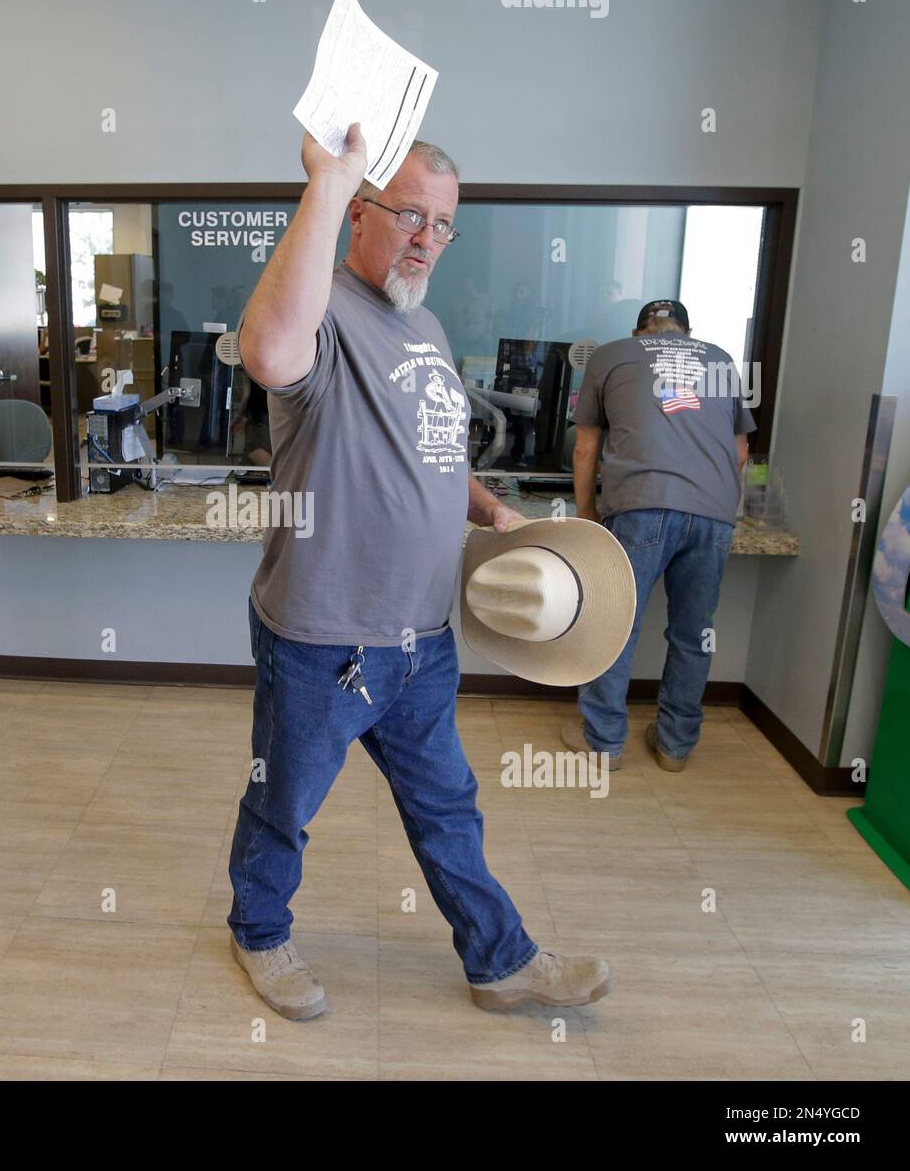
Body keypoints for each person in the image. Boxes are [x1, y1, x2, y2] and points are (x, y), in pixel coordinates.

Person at [227, 124, 615, 1020]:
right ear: (358, 212)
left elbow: (430, 453)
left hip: (421, 638)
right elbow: (269, 353)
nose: (426, 239)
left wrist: (489, 509)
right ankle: (258, 931)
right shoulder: (321, 307)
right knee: (282, 804)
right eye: (408, 214)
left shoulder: (427, 324)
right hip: (325, 636)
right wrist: (323, 184)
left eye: (443, 224)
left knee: (449, 808)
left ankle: (500, 959)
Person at [566, 300, 755, 771]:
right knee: (694, 633)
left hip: (641, 505)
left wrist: (589, 513)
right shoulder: (721, 359)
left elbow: (586, 446)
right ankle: (675, 746)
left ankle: (604, 745)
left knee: (616, 626)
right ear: (689, 333)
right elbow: (740, 450)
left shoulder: (612, 354)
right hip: (712, 515)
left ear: (639, 331)